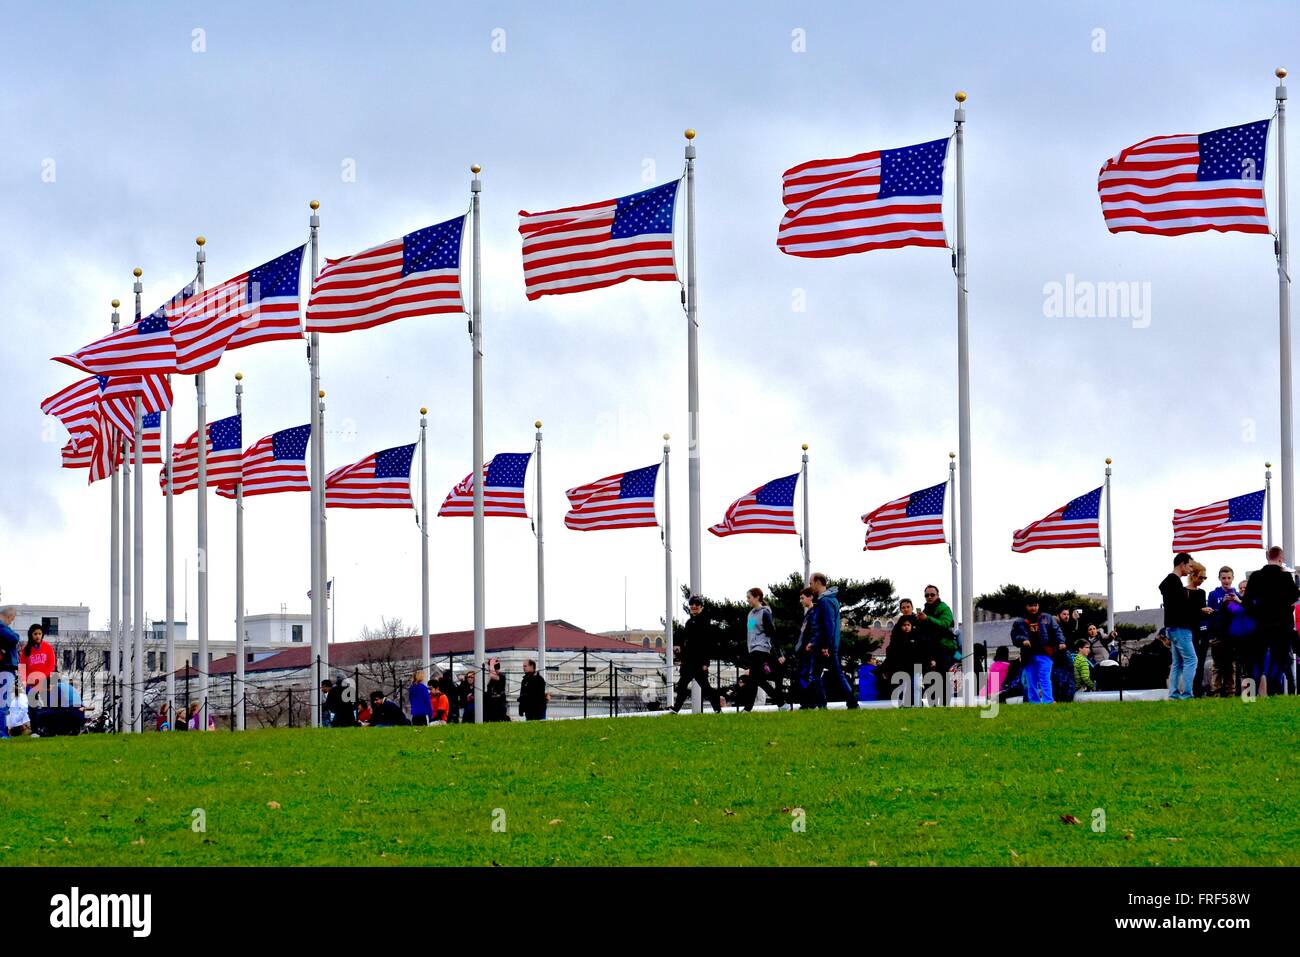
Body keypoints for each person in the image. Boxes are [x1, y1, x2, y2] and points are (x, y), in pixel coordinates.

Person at [1244, 546, 1299, 695]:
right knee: (1279, 660)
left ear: (1267, 557)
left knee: (1256, 661)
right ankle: (1274, 691)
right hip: (1282, 626)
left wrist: (1258, 613)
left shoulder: (1256, 576)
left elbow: (1246, 603)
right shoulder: (1286, 577)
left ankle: (1250, 695)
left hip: (1261, 625)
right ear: (1281, 558)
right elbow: (1295, 598)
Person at [806, 572, 859, 709]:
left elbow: (828, 625)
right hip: (826, 645)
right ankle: (850, 703)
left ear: (818, 582)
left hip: (824, 646)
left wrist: (825, 646)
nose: (810, 586)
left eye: (811, 583)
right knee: (834, 674)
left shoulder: (825, 601)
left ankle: (823, 704)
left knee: (817, 675)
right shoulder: (829, 600)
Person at [671, 597, 723, 713]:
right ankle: (676, 709)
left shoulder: (705, 621)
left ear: (701, 607)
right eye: (691, 604)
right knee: (682, 685)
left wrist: (706, 662)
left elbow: (708, 643)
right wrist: (679, 651)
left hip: (699, 661)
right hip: (688, 660)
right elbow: (684, 639)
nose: (694, 606)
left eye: (697, 604)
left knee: (706, 688)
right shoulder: (689, 622)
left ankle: (717, 708)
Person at [1010, 597, 1063, 703]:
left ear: (1038, 606)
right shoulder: (1018, 622)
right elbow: (1014, 637)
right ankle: (1034, 701)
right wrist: (1023, 640)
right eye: (1031, 605)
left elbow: (1057, 630)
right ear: (1026, 606)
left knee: (1045, 678)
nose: (1034, 608)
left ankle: (1048, 700)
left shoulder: (1047, 617)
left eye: (1035, 605)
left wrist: (1061, 642)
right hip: (1028, 654)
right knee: (1031, 680)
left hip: (1045, 653)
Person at [1160, 552, 1198, 700]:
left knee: (1177, 663)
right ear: (1182, 564)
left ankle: (1174, 694)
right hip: (1180, 627)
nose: (1190, 569)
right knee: (1191, 660)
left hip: (1172, 628)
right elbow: (1182, 607)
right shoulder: (1174, 582)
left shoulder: (1169, 582)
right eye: (1189, 565)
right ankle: (1187, 694)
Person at [741, 587, 786, 710]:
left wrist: (779, 653)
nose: (747, 600)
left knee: (755, 680)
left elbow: (772, 634)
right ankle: (781, 704)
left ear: (757, 598)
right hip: (753, 651)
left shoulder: (765, 613)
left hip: (761, 650)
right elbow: (751, 633)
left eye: (749, 597)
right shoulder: (750, 614)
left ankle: (748, 708)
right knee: (756, 680)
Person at [915, 586, 957, 699]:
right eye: (927, 595)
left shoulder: (944, 608)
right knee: (930, 677)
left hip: (943, 649)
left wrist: (927, 619)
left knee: (942, 677)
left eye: (932, 594)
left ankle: (944, 703)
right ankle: (933, 702)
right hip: (930, 649)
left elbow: (945, 623)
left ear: (938, 595)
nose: (929, 597)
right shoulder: (926, 610)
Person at [1207, 566, 1243, 697]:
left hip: (1232, 636)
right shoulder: (1213, 594)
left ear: (1233, 578)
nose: (1226, 581)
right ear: (1219, 579)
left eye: (1229, 578)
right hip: (1217, 635)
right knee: (1217, 666)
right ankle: (1215, 693)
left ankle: (1231, 693)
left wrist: (1237, 601)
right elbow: (1210, 615)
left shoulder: (1237, 595)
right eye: (1224, 578)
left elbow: (1240, 614)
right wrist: (1222, 604)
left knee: (1231, 666)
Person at [881, 602, 920, 704]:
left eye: (908, 607)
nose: (906, 609)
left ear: (912, 607)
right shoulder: (898, 625)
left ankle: (916, 705)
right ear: (900, 609)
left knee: (915, 685)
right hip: (902, 662)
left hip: (916, 660)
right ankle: (905, 705)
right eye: (903, 607)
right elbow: (892, 645)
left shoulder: (919, 622)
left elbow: (924, 642)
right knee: (903, 685)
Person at [1185, 561, 1214, 697]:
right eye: (1200, 577)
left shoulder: (1202, 592)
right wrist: (1200, 610)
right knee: (1192, 662)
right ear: (1193, 576)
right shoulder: (1185, 592)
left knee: (1201, 662)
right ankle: (1189, 690)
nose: (1202, 580)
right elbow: (1185, 614)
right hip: (1189, 632)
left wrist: (1206, 611)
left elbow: (1200, 614)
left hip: (1202, 631)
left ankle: (1197, 690)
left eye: (1204, 578)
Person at [20, 624, 56, 704]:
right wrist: (25, 681)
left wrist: (42, 677)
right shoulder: (26, 649)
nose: (38, 636)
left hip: (46, 680)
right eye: (35, 634)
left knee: (49, 704)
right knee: (32, 706)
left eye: (40, 634)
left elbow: (52, 665)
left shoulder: (48, 647)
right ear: (31, 635)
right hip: (31, 682)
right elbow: (22, 667)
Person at [0, 607, 21, 740]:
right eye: (12, 619)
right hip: (5, 667)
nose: (11, 622)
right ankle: (2, 733)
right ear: (8, 616)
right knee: (3, 701)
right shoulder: (2, 628)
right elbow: (14, 638)